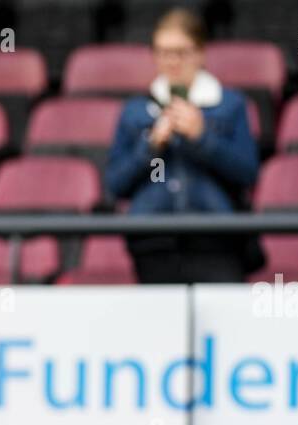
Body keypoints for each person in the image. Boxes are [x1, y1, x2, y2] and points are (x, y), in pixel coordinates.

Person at [104, 7, 260, 283]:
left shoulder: (231, 105)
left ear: (200, 53)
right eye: (163, 52)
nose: (172, 61)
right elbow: (116, 184)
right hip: (153, 242)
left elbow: (247, 173)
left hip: (218, 239)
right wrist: (151, 146)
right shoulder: (135, 110)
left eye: (181, 52)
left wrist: (202, 137)